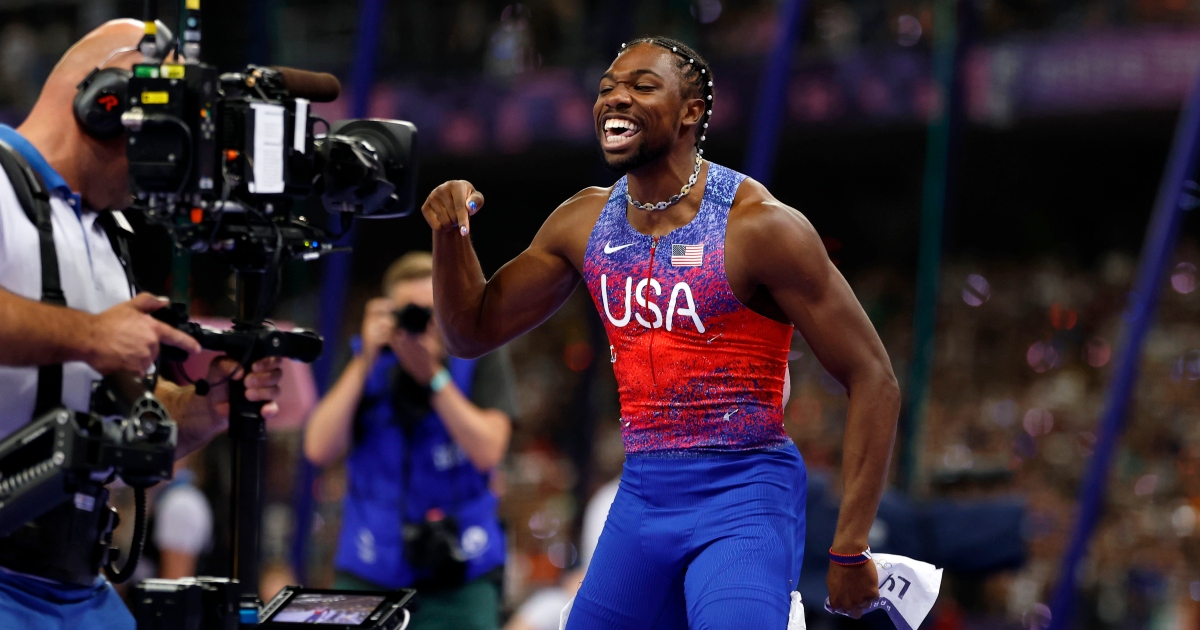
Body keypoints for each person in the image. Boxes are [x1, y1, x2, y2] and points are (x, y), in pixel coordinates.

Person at [420, 36, 901, 629]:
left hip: (744, 493)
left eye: (642, 87)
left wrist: (850, 546)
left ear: (690, 112)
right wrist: (452, 235)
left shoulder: (759, 227)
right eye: (606, 89)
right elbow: (470, 331)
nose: (615, 99)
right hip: (644, 493)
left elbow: (873, 376)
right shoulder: (582, 220)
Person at [0, 19, 284, 629]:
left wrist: (203, 410)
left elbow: (126, 412)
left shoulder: (110, 235)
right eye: (165, 137)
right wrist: (92, 335)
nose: (166, 173)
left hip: (82, 589)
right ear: (104, 103)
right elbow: (93, 342)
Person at [304, 251, 518, 630]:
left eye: (431, 312)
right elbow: (318, 448)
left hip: (462, 571)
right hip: (368, 564)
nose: (421, 325)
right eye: (409, 313)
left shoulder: (479, 351)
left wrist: (433, 376)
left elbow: (489, 451)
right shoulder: (364, 360)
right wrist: (365, 360)